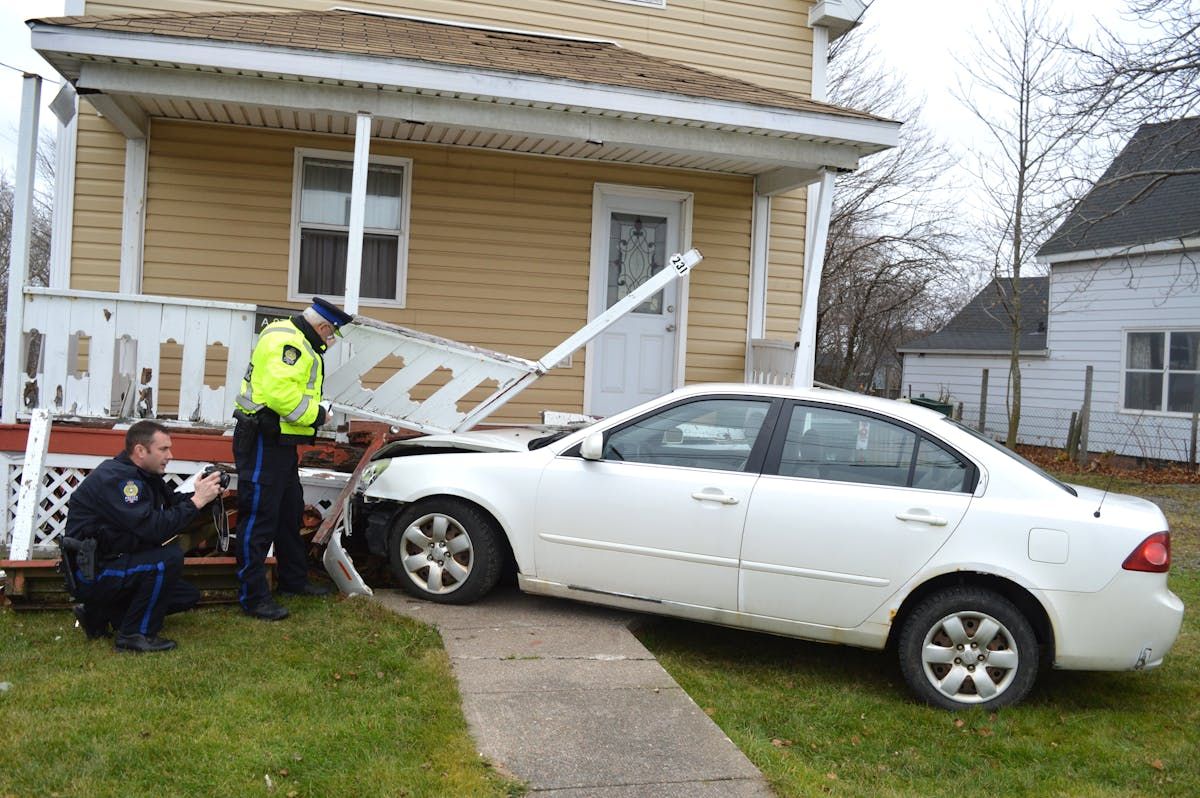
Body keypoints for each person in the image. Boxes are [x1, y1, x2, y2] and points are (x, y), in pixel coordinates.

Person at [232, 297, 353, 621]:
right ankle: (253, 597)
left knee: (288, 513)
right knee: (259, 518)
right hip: (262, 441)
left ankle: (293, 581)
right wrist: (318, 415)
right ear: (324, 326)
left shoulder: (293, 337)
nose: (330, 341)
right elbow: (279, 395)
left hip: (279, 443)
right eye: (332, 335)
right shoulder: (289, 342)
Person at [63, 420, 224, 653]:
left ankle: (100, 613)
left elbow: (173, 503)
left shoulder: (142, 474)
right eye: (163, 449)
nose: (170, 455)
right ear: (140, 450)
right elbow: (153, 528)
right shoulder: (120, 480)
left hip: (114, 561)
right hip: (95, 571)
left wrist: (203, 494)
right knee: (166, 560)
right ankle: (135, 634)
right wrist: (197, 502)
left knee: (186, 595)